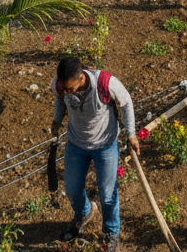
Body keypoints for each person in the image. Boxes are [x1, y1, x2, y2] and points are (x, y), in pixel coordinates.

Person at [51, 55, 139, 250]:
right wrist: (56, 122)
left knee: (107, 194)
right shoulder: (59, 85)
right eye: (63, 88)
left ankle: (111, 232)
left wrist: (131, 134)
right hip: (76, 143)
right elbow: (60, 101)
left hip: (104, 144)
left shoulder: (105, 82)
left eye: (70, 89)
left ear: (81, 78)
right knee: (72, 189)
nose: (66, 92)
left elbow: (126, 103)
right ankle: (84, 213)